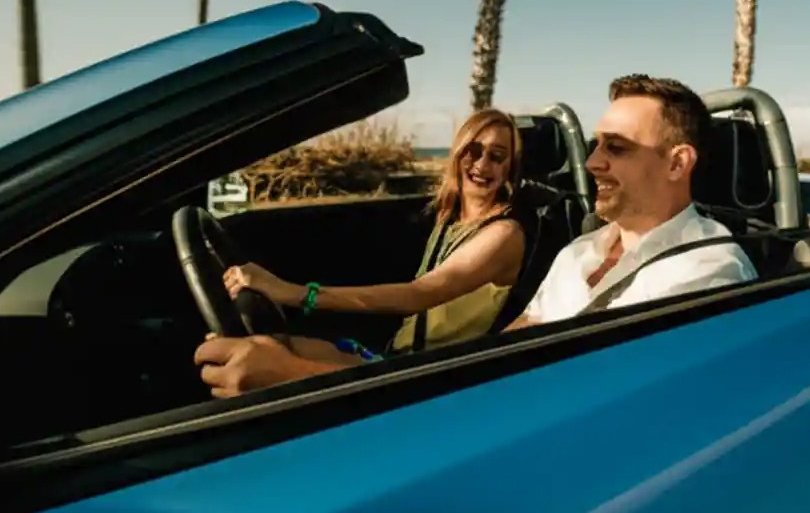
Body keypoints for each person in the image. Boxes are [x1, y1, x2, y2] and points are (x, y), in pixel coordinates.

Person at [195, 108, 528, 398]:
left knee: (260, 370)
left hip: (427, 378)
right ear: (458, 153)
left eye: (497, 156)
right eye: (473, 150)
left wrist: (294, 294)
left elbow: (420, 294)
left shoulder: (503, 234)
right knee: (265, 345)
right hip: (394, 356)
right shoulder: (450, 217)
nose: (482, 164)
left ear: (509, 168)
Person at [503, 74, 757, 331]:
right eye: (596, 144)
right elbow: (529, 322)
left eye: (616, 147)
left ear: (677, 163)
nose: (592, 163)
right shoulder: (578, 251)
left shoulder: (708, 272)